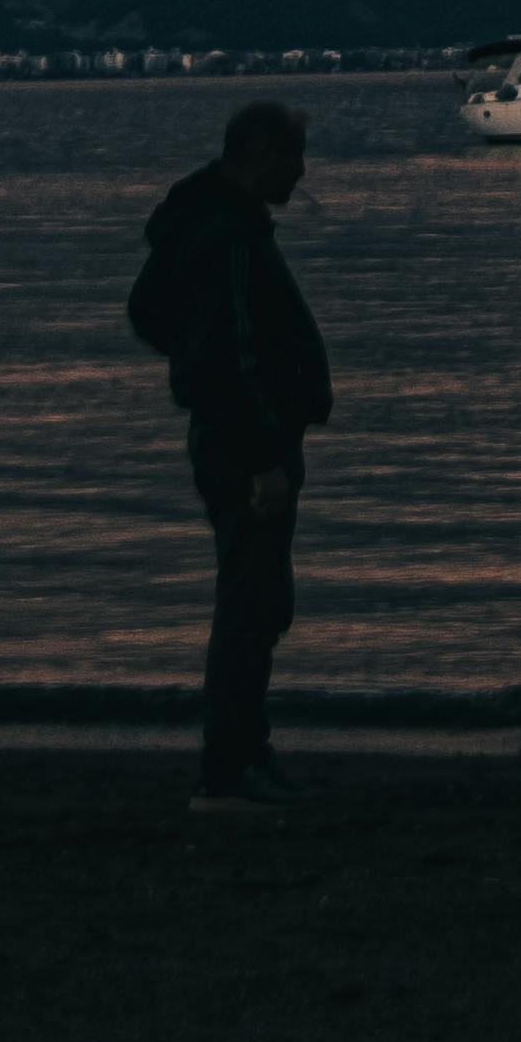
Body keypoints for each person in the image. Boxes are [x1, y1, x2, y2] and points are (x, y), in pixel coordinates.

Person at [130, 97, 331, 816]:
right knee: (251, 606)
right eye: (294, 157)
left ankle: (245, 753)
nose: (302, 172)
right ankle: (228, 770)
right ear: (261, 154)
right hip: (247, 449)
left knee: (258, 602)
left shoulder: (202, 224)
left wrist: (190, 354)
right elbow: (232, 355)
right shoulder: (231, 236)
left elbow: (147, 313)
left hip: (236, 439)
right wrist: (264, 457)